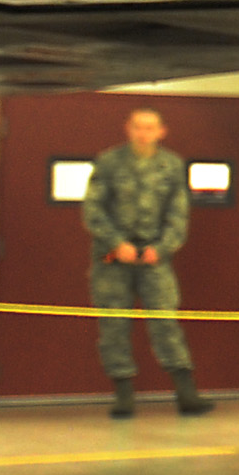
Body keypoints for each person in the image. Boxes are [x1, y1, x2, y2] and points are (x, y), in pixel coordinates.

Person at [83, 107, 211, 418]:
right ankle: (124, 395)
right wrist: (116, 243)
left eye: (150, 128)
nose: (144, 134)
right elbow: (93, 210)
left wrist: (163, 247)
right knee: (114, 325)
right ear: (128, 128)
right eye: (138, 127)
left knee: (166, 321)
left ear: (161, 132)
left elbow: (179, 215)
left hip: (155, 258)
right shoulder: (109, 163)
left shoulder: (172, 166)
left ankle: (186, 393)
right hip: (113, 259)